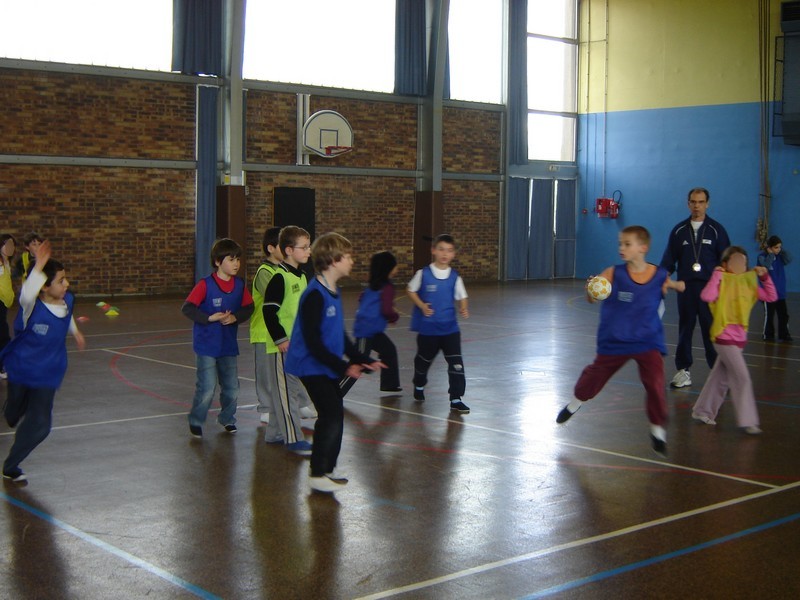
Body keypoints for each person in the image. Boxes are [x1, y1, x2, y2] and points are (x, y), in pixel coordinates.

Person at [556, 226, 686, 456]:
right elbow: (592, 297)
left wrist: (678, 285)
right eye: (620, 244)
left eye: (627, 244)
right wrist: (591, 289)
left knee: (656, 383)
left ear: (643, 248)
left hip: (647, 340)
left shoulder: (659, 275)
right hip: (615, 339)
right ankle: (575, 402)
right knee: (595, 375)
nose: (621, 248)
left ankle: (657, 430)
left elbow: (669, 284)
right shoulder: (613, 273)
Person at [285, 232, 384, 492]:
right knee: (329, 415)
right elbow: (313, 342)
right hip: (309, 364)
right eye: (348, 256)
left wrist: (361, 358)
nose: (352, 261)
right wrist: (344, 367)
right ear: (333, 260)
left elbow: (338, 334)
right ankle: (317, 473)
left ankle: (328, 467)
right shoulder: (314, 295)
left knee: (334, 413)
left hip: (323, 364)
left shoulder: (333, 291)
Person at [1, 240, 86, 482]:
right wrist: (38, 266)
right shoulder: (31, 307)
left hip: (49, 370)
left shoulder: (68, 300)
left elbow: (67, 316)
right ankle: (12, 409)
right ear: (45, 288)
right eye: (61, 281)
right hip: (22, 367)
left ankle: (11, 464)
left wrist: (75, 332)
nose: (66, 284)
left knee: (40, 425)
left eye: (65, 279)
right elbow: (27, 293)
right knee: (14, 414)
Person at [691, 246, 776, 434]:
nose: (739, 265)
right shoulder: (721, 281)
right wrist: (717, 276)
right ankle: (748, 421)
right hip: (723, 337)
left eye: (743, 262)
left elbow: (771, 296)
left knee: (720, 378)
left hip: (739, 340)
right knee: (742, 378)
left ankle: (702, 410)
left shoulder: (748, 283)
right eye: (735, 261)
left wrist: (764, 278)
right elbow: (707, 296)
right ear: (725, 264)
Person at [181, 238, 253, 438]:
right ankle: (196, 420)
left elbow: (249, 307)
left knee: (232, 388)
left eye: (238, 259)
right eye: (231, 259)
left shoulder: (239, 285)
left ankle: (227, 419)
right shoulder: (205, 285)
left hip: (228, 346)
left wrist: (235, 317)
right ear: (218, 262)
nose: (236, 263)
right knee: (207, 387)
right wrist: (208, 317)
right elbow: (187, 308)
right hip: (206, 346)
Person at [660, 187, 730, 388]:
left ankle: (718, 373)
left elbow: (726, 261)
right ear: (688, 203)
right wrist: (660, 281)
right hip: (686, 288)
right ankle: (683, 371)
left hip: (711, 290)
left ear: (707, 204)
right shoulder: (679, 230)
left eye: (701, 202)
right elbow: (668, 261)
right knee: (685, 329)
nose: (697, 205)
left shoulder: (717, 230)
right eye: (693, 201)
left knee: (712, 331)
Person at [262, 226, 317, 454]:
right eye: (303, 247)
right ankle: (293, 438)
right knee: (287, 394)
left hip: (298, 347)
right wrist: (280, 339)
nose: (308, 251)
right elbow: (269, 312)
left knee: (287, 392)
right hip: (283, 348)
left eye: (308, 246)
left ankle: (274, 433)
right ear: (288, 250)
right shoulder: (278, 278)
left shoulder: (302, 276)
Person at [407, 234, 470, 414]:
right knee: (423, 362)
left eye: (449, 251)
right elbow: (410, 290)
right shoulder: (423, 274)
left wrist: (463, 307)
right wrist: (421, 305)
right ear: (433, 250)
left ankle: (456, 398)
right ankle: (419, 383)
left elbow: (462, 296)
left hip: (450, 330)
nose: (444, 254)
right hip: (429, 330)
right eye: (441, 249)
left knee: (456, 364)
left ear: (453, 254)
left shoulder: (455, 277)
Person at [339, 251, 401, 396]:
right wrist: (393, 317)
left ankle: (389, 384)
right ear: (389, 268)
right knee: (359, 363)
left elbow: (362, 299)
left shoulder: (372, 286)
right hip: (366, 332)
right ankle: (337, 392)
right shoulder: (387, 287)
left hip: (373, 330)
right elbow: (386, 310)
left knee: (389, 350)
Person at [250, 226, 283, 425]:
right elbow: (276, 297)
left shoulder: (285, 271)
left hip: (280, 331)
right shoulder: (265, 272)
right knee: (265, 373)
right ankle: (266, 407)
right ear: (271, 248)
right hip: (264, 331)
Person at [757, 235, 792, 343]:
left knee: (783, 315)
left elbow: (788, 259)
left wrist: (781, 251)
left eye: (780, 247)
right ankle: (768, 335)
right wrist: (771, 254)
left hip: (780, 292)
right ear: (770, 247)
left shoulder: (780, 257)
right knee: (770, 315)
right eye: (776, 247)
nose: (779, 249)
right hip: (768, 293)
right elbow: (765, 267)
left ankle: (784, 334)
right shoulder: (762, 257)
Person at [0, 234, 16, 379]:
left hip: (5, 303)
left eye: (13, 244)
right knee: (3, 334)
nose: (11, 247)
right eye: (8, 244)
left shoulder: (7, 263)